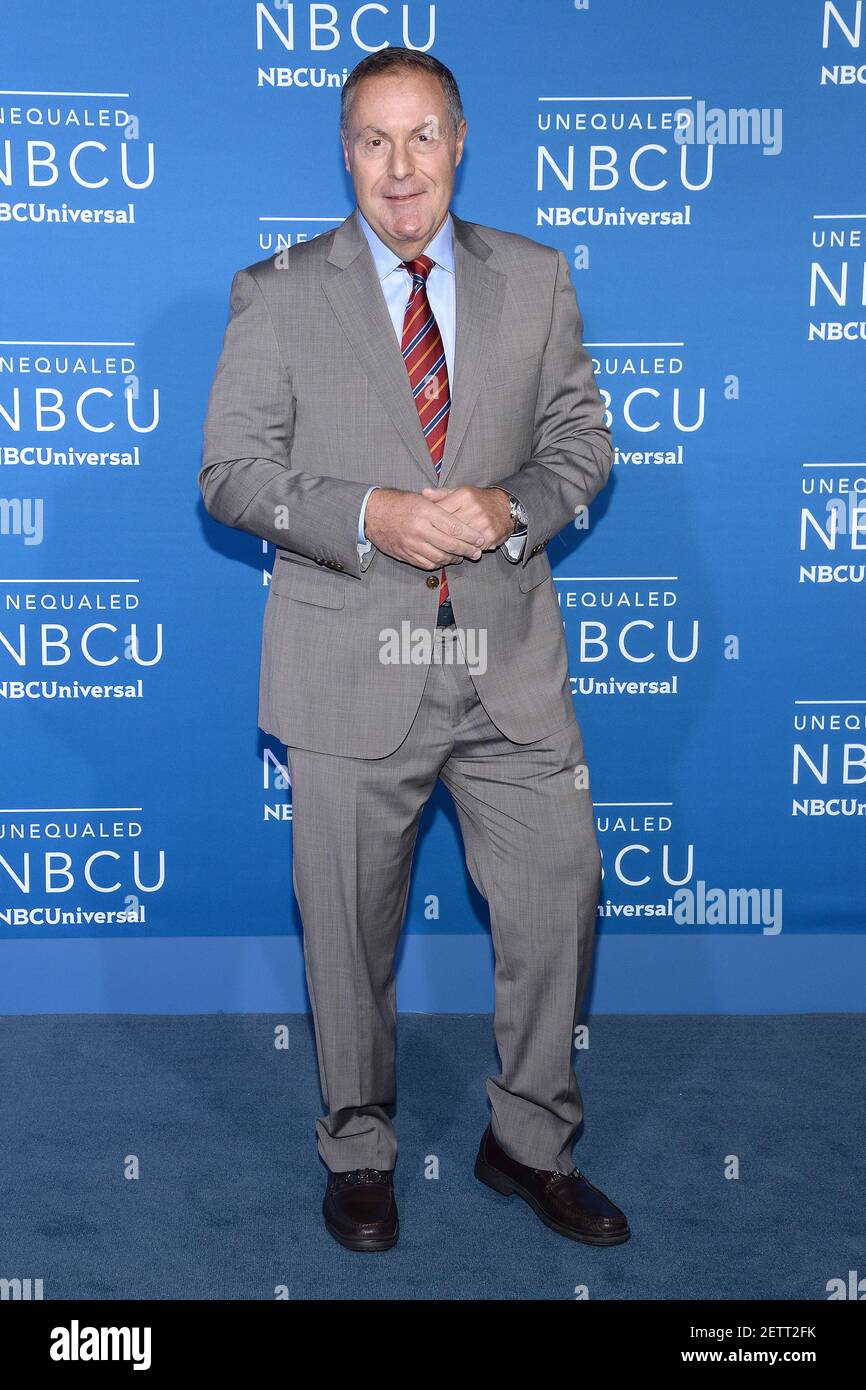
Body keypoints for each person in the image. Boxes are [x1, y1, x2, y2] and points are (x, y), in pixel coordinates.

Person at [200, 46, 629, 1252]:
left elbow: (580, 443)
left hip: (507, 660)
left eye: (422, 136)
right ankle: (358, 1148)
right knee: (344, 927)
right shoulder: (275, 292)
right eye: (373, 141)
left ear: (459, 142)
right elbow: (229, 475)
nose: (400, 167)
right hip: (346, 666)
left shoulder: (535, 279)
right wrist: (369, 514)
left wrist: (511, 508)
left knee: (561, 899)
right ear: (343, 153)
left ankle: (528, 1140)